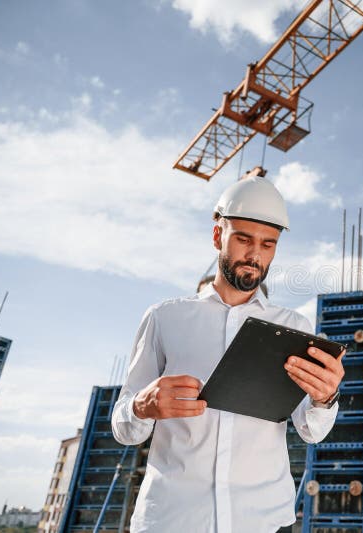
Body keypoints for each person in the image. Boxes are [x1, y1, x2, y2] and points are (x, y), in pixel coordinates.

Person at [111, 174, 345, 533]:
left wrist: (325, 398)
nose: (255, 254)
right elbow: (124, 429)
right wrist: (141, 406)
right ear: (218, 235)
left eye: (268, 244)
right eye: (244, 239)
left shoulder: (293, 326)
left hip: (263, 521)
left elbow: (311, 431)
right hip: (172, 520)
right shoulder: (165, 318)